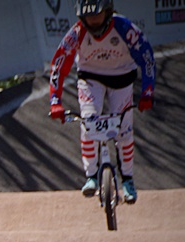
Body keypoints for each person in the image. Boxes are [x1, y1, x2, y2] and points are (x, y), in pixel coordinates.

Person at [49, 0, 155, 204]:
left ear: (107, 12)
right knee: (88, 123)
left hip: (122, 78)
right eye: (88, 18)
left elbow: (147, 57)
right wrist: (55, 100)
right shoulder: (77, 31)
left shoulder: (124, 28)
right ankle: (91, 176)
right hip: (90, 78)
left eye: (97, 16)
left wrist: (147, 92)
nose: (93, 22)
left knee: (124, 130)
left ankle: (128, 179)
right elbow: (59, 64)